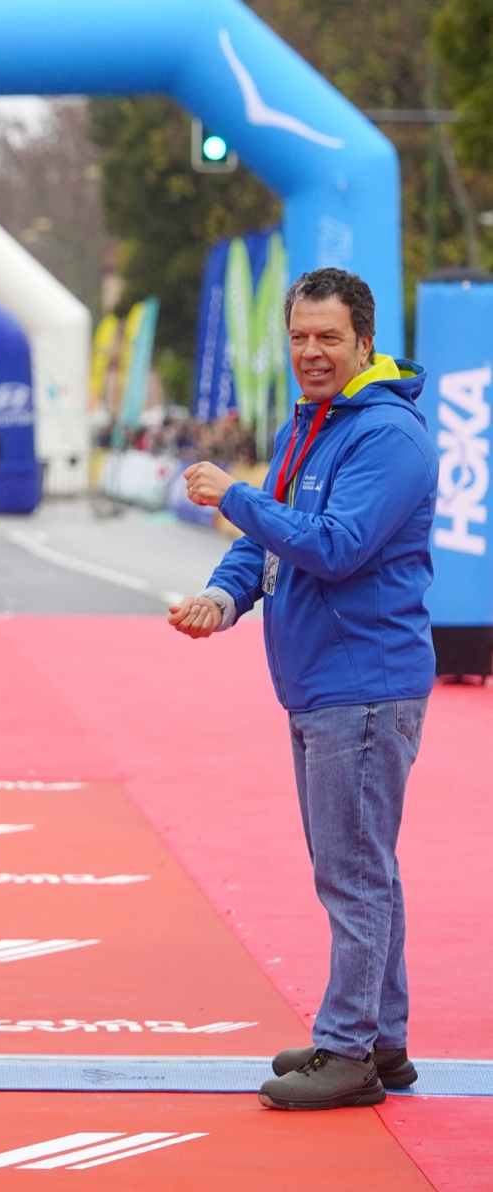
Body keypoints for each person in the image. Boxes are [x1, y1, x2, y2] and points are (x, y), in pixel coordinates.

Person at [170, 267, 436, 1112]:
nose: (311, 353)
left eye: (328, 338)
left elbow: (337, 544)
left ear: (364, 341)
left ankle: (349, 1047)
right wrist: (222, 595)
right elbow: (266, 545)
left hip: (362, 683)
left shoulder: (386, 435)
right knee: (361, 867)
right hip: (327, 683)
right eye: (299, 338)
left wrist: (236, 496)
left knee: (352, 874)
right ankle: (380, 1040)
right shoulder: (311, 426)